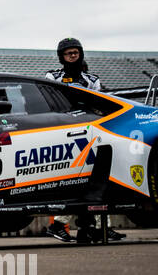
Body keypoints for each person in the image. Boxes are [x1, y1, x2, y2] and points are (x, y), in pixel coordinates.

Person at [43, 37, 124, 243]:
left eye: (75, 53)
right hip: (63, 131)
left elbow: (102, 105)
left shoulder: (91, 80)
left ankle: (100, 226)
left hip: (90, 131)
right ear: (61, 57)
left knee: (96, 179)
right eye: (68, 53)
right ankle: (61, 224)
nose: (72, 56)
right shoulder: (52, 76)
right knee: (72, 178)